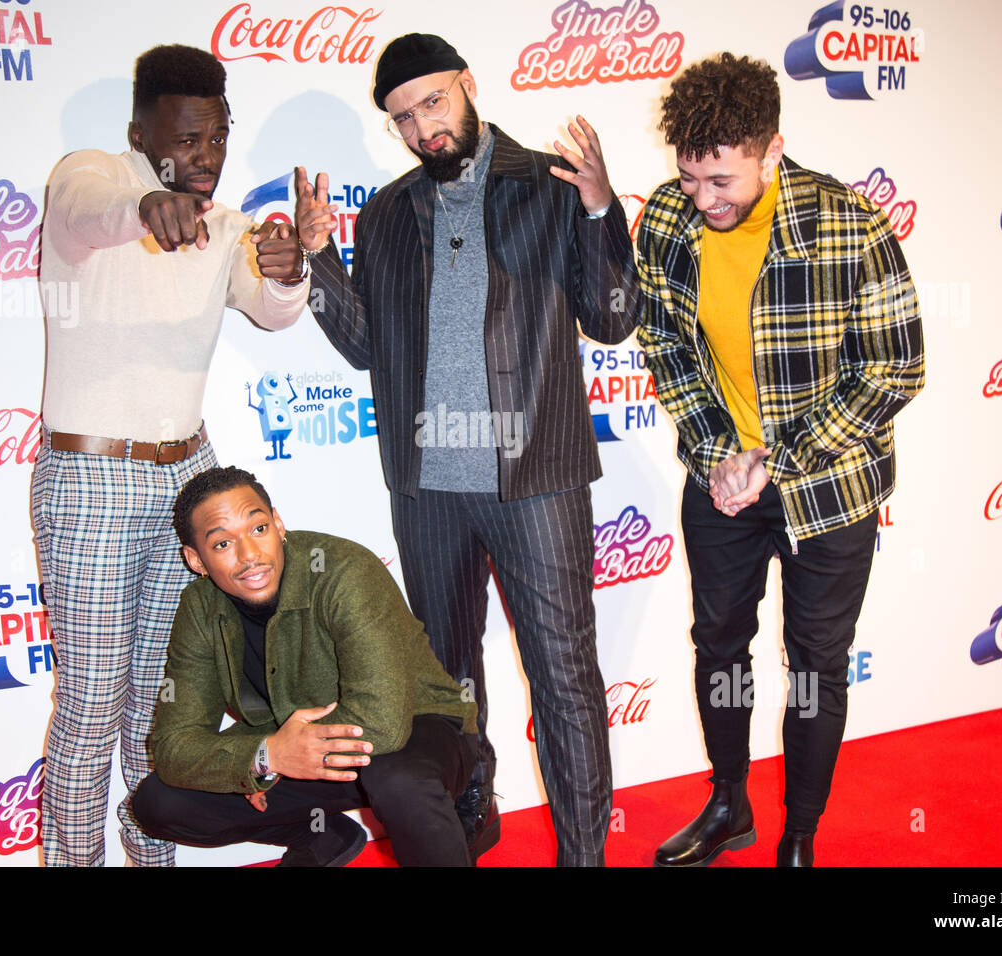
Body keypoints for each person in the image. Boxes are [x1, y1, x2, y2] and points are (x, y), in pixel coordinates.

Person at [295, 33, 641, 866]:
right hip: (428, 489)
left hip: (537, 480)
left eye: (435, 103)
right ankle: (471, 820)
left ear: (469, 86)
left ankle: (584, 857)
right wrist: (318, 260)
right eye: (404, 118)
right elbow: (367, 345)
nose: (424, 129)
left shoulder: (550, 187)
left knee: (563, 680)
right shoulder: (383, 214)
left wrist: (600, 211)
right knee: (447, 686)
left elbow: (614, 317)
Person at [636, 53, 924, 866]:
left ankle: (799, 834)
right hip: (722, 483)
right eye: (690, 178)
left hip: (830, 488)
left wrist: (779, 457)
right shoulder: (664, 219)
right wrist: (721, 453)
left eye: (721, 180)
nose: (703, 199)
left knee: (814, 665)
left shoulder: (850, 224)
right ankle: (730, 805)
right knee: (719, 645)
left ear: (771, 151)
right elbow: (664, 344)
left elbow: (896, 367)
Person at [32, 44, 309, 866]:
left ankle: (155, 858)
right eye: (186, 139)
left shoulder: (228, 227)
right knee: (88, 708)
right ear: (137, 131)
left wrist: (290, 273)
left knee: (162, 710)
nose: (205, 158)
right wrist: (146, 205)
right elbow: (88, 206)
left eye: (217, 138)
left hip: (191, 481)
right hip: (92, 480)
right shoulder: (90, 179)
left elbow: (274, 308)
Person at [132, 466, 479, 866]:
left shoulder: (342, 571)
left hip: (419, 725)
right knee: (160, 803)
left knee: (397, 780)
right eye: (223, 544)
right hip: (300, 752)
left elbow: (383, 722)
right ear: (196, 560)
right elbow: (173, 746)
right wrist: (261, 758)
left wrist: (275, 756)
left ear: (278, 523)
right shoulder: (198, 609)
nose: (250, 556)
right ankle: (323, 836)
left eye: (258, 529)